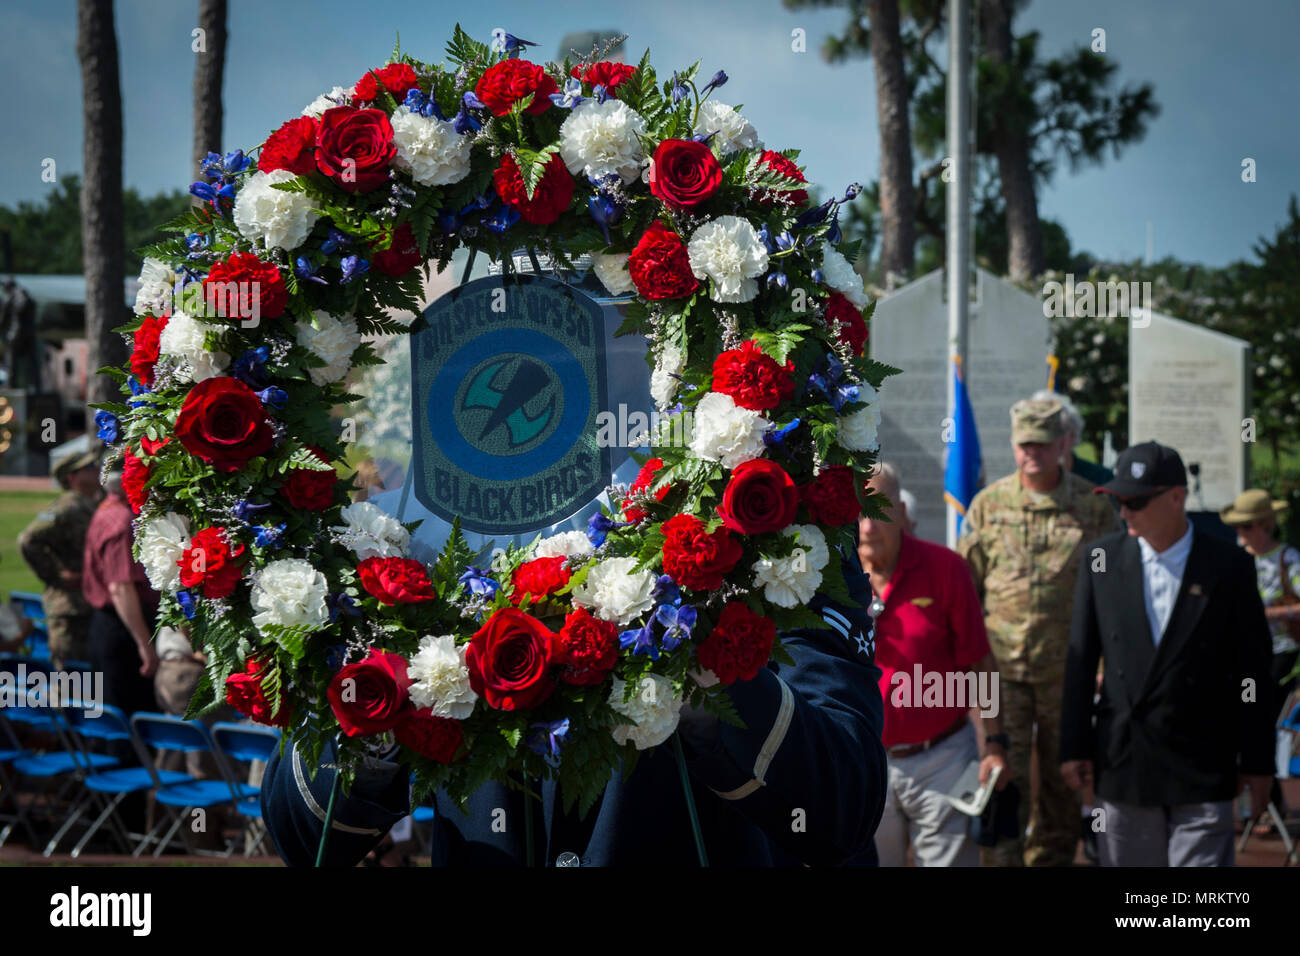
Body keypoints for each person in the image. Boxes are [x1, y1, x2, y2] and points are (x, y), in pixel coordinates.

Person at [260, 550, 888, 867]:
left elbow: (842, 805)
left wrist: (704, 669)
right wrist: (380, 710)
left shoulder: (773, 541)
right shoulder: (416, 544)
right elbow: (300, 835)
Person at [1059, 442, 1276, 866]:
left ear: (1176, 497)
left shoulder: (1229, 565)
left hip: (1202, 763)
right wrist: (1074, 746)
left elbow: (1252, 672)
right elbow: (1081, 661)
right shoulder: (1100, 559)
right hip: (1125, 763)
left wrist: (1258, 761)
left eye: (1136, 502)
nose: (1124, 513)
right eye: (1119, 501)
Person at [957, 398, 1120, 866]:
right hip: (1000, 671)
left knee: (1062, 784)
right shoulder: (989, 505)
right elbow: (966, 590)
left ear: (1064, 443)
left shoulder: (1094, 506)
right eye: (1025, 444)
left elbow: (1112, 591)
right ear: (1013, 445)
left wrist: (1105, 664)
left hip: (1067, 673)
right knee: (1000, 780)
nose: (1033, 453)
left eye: (1043, 444)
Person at [860, 463, 1008, 867]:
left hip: (944, 758)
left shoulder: (946, 568)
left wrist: (996, 743)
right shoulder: (832, 579)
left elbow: (981, 661)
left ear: (901, 510)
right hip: (865, 761)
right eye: (858, 511)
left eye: (878, 508)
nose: (868, 526)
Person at [1218, 488, 1300, 819]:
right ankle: (1246, 801)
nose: (1241, 532)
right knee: (1239, 721)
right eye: (1238, 526)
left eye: (1247, 525)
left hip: (1280, 657)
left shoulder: (1288, 559)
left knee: (1268, 723)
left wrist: (1266, 614)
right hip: (1239, 656)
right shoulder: (1233, 560)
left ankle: (1269, 804)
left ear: (1266, 525)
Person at [82, 465, 160, 717]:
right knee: (130, 715)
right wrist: (145, 645)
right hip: (124, 629)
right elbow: (121, 588)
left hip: (109, 625)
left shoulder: (106, 510)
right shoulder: (122, 521)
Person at [17, 450, 102, 667]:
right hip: (69, 607)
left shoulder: (92, 503)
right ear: (71, 477)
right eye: (88, 467)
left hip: (89, 603)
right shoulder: (67, 507)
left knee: (93, 675)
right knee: (70, 674)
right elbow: (28, 540)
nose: (96, 470)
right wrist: (57, 576)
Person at [1031, 389, 1113, 488]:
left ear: (1073, 435)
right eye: (1040, 434)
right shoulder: (1022, 482)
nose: (1049, 440)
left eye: (1058, 432)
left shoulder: (1103, 480)